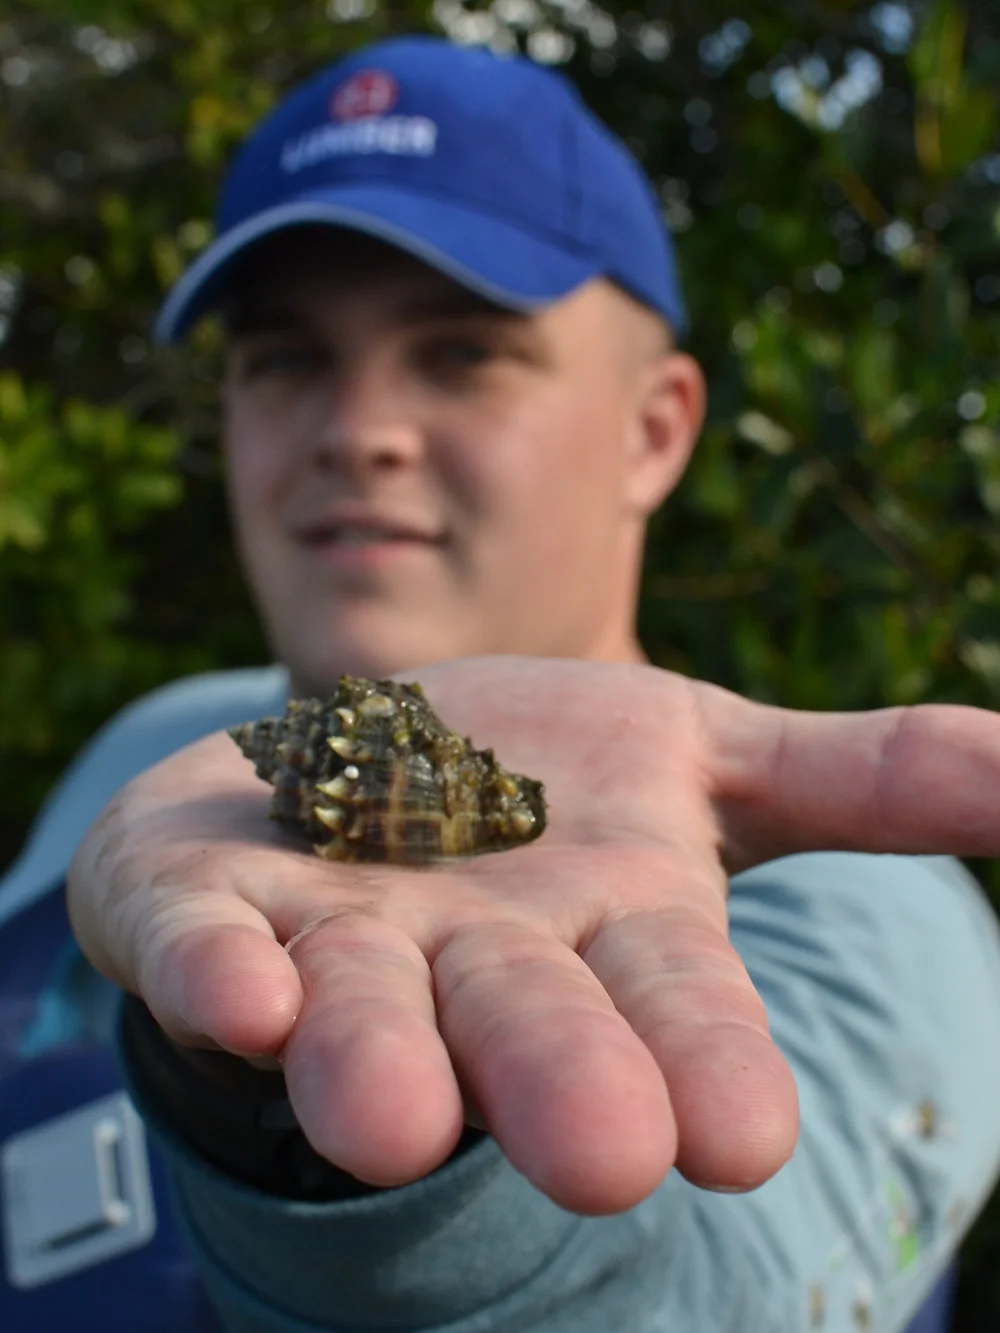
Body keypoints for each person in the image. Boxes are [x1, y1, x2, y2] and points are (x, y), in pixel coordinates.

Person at [1, 33, 999, 1333]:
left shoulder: (870, 909)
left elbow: (720, 1291)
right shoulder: (157, 754)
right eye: (287, 358)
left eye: (462, 353)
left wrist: (288, 1124)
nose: (358, 430)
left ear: (655, 433)